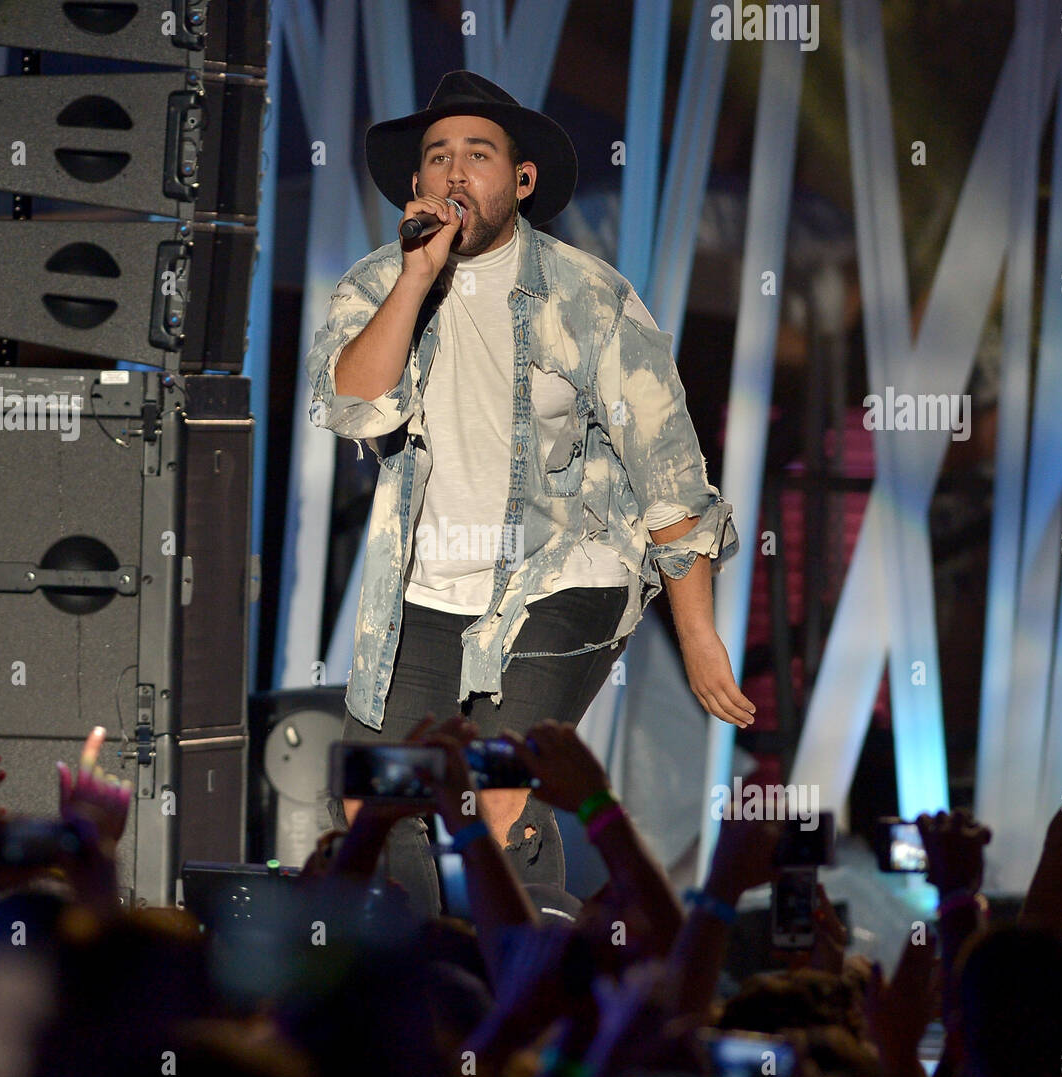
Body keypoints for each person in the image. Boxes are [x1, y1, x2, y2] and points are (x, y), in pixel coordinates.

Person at [305, 70, 754, 915]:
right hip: (427, 587)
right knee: (372, 798)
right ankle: (426, 996)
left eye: (478, 154)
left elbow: (669, 474)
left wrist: (698, 635)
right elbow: (355, 406)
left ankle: (522, 992)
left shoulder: (590, 298)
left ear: (521, 180)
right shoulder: (376, 284)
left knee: (496, 791)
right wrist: (415, 277)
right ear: (417, 184)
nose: (454, 173)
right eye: (438, 157)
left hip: (562, 575)